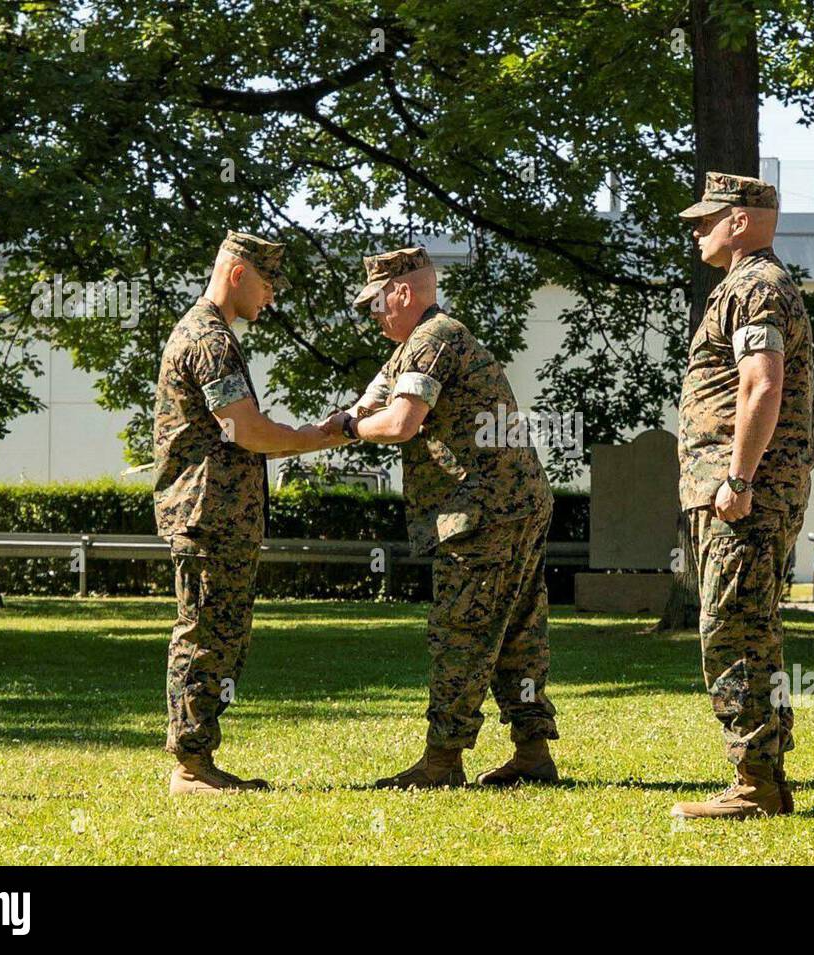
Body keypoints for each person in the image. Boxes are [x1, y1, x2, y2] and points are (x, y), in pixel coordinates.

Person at [327, 246, 560, 789]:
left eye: (377, 303)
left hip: (485, 513)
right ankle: (531, 753)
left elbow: (402, 422)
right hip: (512, 503)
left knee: (464, 632)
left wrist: (346, 430)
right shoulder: (417, 343)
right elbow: (369, 404)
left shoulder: (434, 339)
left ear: (403, 292)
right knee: (518, 631)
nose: (373, 315)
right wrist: (320, 430)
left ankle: (443, 759)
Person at [153, 230, 338, 795]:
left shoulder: (209, 334)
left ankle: (199, 758)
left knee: (222, 635)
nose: (272, 296)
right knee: (206, 635)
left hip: (218, 517)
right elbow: (247, 429)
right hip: (210, 516)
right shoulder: (209, 339)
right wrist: (320, 436)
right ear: (238, 274)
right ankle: (189, 764)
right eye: (267, 282)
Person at [669, 174, 814, 820]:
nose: (697, 230)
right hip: (745, 493)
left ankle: (754, 780)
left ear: (738, 221)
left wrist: (737, 478)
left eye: (706, 219)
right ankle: (765, 777)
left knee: (729, 626)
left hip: (744, 497)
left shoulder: (756, 286)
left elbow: (763, 386)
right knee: (753, 625)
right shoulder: (748, 285)